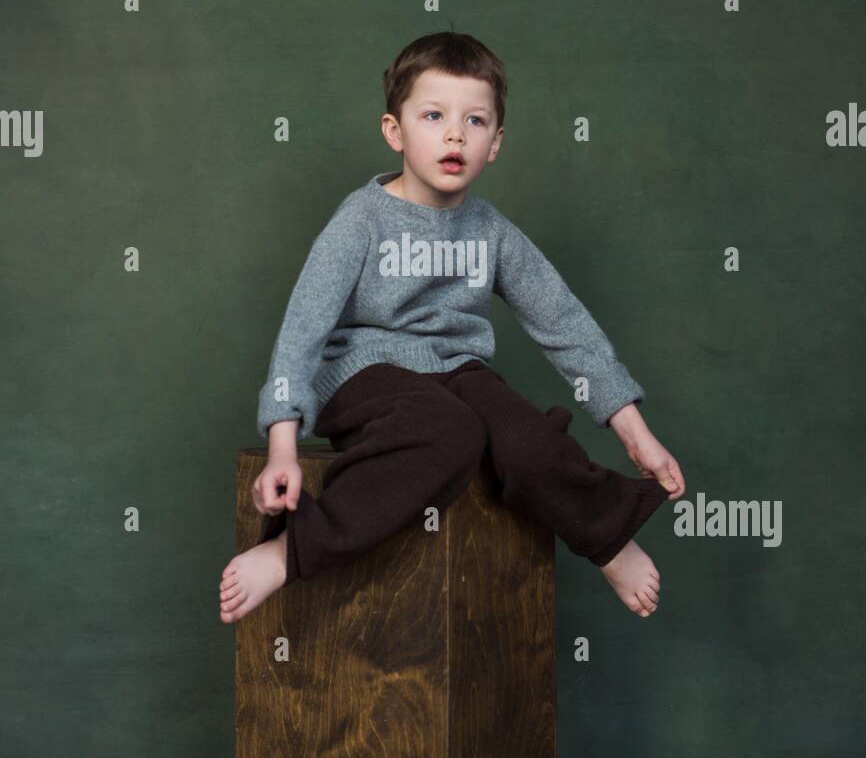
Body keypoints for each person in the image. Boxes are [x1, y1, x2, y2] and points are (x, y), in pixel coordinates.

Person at [220, 32, 685, 624]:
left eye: (475, 120)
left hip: (454, 369)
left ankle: (606, 536)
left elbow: (564, 324)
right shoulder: (361, 220)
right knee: (448, 431)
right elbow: (303, 329)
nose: (455, 134)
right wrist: (281, 443)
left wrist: (634, 432)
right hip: (363, 371)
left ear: (495, 143)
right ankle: (292, 549)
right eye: (434, 115)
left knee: (526, 439)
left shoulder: (490, 231)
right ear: (395, 132)